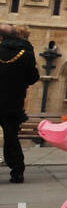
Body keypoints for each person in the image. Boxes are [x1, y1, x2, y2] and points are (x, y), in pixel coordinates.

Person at [0, 22, 40, 183]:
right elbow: (33, 78)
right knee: (11, 137)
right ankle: (17, 171)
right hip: (13, 102)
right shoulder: (26, 53)